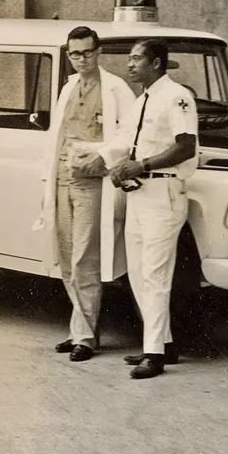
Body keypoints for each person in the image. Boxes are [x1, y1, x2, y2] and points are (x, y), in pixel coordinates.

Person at [97, 39, 198, 379]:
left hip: (163, 192)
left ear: (156, 63)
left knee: (155, 273)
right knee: (138, 271)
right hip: (139, 194)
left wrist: (141, 165)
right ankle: (163, 343)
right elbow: (125, 142)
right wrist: (116, 166)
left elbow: (186, 147)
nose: (130, 65)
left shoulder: (177, 96)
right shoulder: (141, 100)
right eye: (129, 59)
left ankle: (153, 353)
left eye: (137, 59)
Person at [51, 26, 135, 362]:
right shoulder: (68, 87)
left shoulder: (116, 89)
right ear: (68, 56)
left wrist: (100, 154)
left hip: (91, 181)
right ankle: (80, 329)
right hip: (61, 178)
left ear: (98, 53)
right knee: (66, 255)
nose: (82, 59)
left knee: (85, 257)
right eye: (75, 54)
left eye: (87, 52)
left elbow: (129, 135)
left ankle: (86, 336)